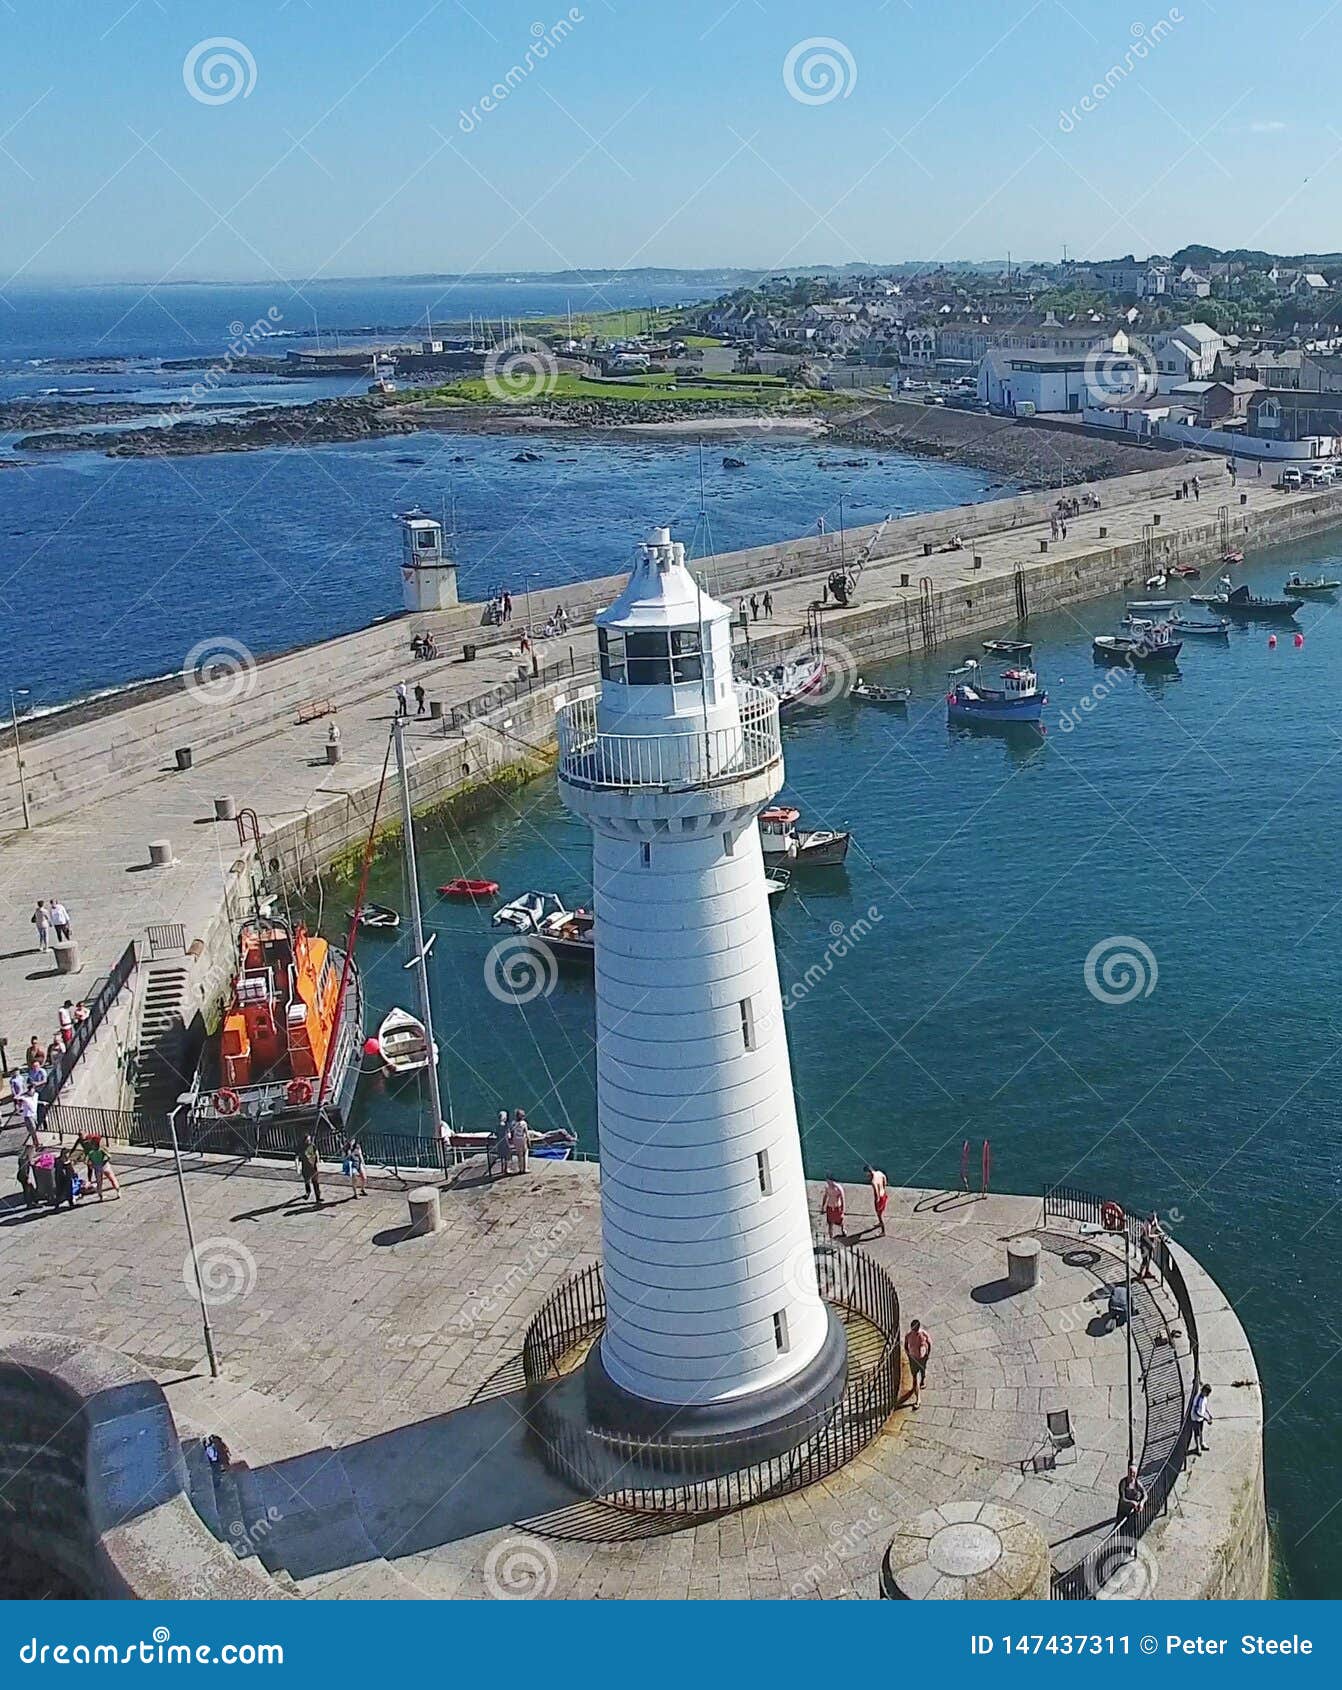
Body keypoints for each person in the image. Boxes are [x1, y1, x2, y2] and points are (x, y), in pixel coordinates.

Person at [79, 1134, 120, 1201]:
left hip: (97, 1167)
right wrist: (105, 1161)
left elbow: (86, 1161)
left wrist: (91, 1164)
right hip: (105, 1165)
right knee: (112, 1178)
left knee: (99, 1182)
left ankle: (101, 1196)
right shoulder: (101, 1150)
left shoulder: (90, 1152)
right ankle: (118, 1191)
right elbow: (109, 1156)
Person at [904, 1318, 932, 1408]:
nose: (915, 1331)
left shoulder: (923, 1334)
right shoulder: (908, 1335)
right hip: (913, 1358)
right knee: (915, 1378)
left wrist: (927, 1354)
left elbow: (929, 1343)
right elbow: (905, 1345)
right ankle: (918, 1399)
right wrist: (908, 1354)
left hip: (922, 1358)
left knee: (923, 1371)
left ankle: (923, 1380)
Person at [1116, 1465, 1147, 1535]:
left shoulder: (1137, 1483)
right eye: (1130, 1473)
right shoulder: (1124, 1483)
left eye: (1134, 1473)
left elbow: (1145, 1494)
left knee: (1133, 1527)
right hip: (1123, 1509)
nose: (1132, 1475)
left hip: (1133, 1510)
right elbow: (1122, 1498)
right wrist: (1131, 1502)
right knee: (1121, 1526)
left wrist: (1141, 1503)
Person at [298, 1134, 322, 1205]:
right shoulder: (301, 1147)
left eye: (309, 1140)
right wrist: (298, 1168)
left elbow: (316, 1152)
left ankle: (318, 1198)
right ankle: (308, 1192)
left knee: (316, 1183)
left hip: (313, 1167)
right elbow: (297, 1157)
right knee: (307, 1181)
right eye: (307, 1140)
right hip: (305, 1168)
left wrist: (318, 1160)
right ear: (304, 1140)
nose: (309, 1141)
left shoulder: (312, 1145)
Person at [866, 1165, 889, 1236]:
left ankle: (883, 1231)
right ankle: (880, 1223)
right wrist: (883, 1187)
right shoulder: (879, 1172)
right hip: (884, 1194)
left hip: (879, 1198)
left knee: (879, 1215)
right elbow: (884, 1179)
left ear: (869, 1172)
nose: (867, 1176)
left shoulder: (873, 1181)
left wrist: (877, 1201)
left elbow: (876, 1192)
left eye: (867, 1174)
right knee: (880, 1213)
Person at [820, 1175, 845, 1240]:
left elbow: (843, 1199)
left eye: (828, 1181)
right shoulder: (827, 1188)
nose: (827, 1182)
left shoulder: (839, 1188)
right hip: (830, 1207)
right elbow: (825, 1197)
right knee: (830, 1223)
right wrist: (823, 1206)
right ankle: (831, 1236)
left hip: (837, 1207)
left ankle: (843, 1229)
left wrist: (843, 1211)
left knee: (840, 1221)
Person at [1191, 1382, 1213, 1453]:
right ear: (1203, 1391)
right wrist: (1206, 1418)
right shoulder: (1198, 1399)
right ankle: (1198, 1448)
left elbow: (1205, 1407)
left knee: (1201, 1431)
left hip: (1201, 1418)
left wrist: (1209, 1414)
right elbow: (1196, 1412)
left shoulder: (1205, 1398)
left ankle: (1202, 1443)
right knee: (1197, 1433)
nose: (1208, 1395)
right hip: (1195, 1418)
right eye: (1207, 1393)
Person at [53, 1147, 77, 1211]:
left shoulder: (68, 1161)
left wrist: (73, 1174)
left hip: (67, 1178)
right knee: (59, 1191)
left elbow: (71, 1169)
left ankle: (70, 1203)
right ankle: (57, 1205)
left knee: (69, 1190)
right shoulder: (58, 1160)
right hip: (60, 1178)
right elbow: (56, 1169)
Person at [510, 1109, 530, 1175]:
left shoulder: (513, 1123)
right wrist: (528, 1140)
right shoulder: (524, 1123)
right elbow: (526, 1132)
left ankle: (520, 1168)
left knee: (519, 1155)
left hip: (516, 1139)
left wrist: (512, 1140)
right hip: (522, 1139)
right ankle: (525, 1168)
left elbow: (512, 1132)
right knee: (525, 1153)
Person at [493, 1109, 512, 1177]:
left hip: (499, 1142)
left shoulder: (497, 1125)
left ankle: (503, 1168)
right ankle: (507, 1169)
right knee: (507, 1156)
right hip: (505, 1142)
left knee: (502, 1156)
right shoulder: (505, 1126)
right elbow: (509, 1135)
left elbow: (496, 1134)